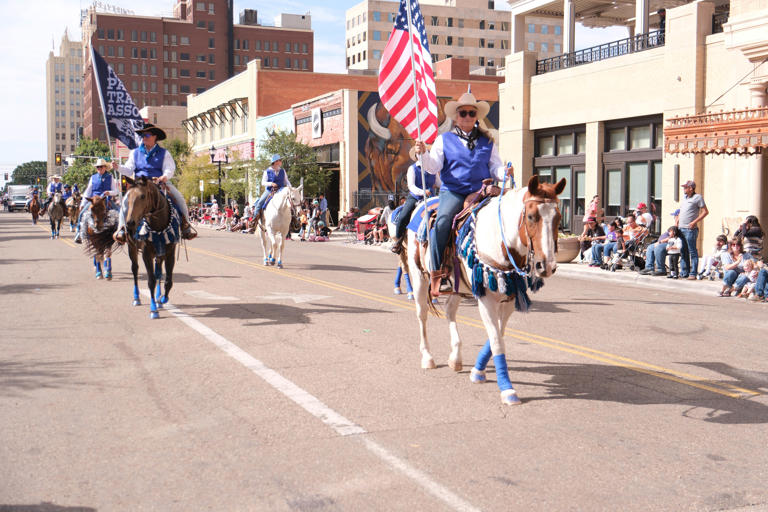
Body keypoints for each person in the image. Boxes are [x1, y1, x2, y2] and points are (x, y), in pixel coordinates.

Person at [412, 89, 513, 296]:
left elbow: (495, 168)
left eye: (471, 113)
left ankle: (510, 267)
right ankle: (437, 274)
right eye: (463, 113)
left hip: (482, 192)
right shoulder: (444, 140)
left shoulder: (488, 141)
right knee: (442, 223)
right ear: (456, 117)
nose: (467, 116)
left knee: (504, 219)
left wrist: (504, 172)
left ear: (476, 117)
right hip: (454, 192)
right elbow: (433, 167)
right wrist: (423, 154)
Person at [112, 123, 196, 242]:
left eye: (147, 135)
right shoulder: (135, 152)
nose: (144, 137)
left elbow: (169, 168)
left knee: (179, 198)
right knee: (125, 201)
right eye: (142, 135)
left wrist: (164, 177)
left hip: (159, 183)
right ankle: (121, 229)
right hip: (140, 185)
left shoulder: (164, 153)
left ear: (155, 137)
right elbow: (129, 169)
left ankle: (186, 227)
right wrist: (118, 167)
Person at [391, 158, 442, 254]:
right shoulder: (412, 168)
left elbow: (439, 183)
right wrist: (423, 192)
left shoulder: (433, 169)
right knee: (404, 216)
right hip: (416, 197)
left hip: (430, 198)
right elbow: (411, 186)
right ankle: (398, 241)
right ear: (416, 156)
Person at [74, 158, 120, 244]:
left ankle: (120, 234)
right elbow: (88, 191)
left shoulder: (110, 177)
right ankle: (79, 234)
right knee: (81, 213)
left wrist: (109, 192)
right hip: (93, 201)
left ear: (105, 167)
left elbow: (116, 191)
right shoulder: (93, 177)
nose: (99, 168)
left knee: (119, 212)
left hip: (105, 200)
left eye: (101, 167)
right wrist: (83, 204)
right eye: (98, 167)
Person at [676, 180, 709, 279]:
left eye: (685, 187)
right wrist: (677, 222)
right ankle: (684, 272)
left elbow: (705, 212)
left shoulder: (697, 197)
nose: (684, 189)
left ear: (691, 188)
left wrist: (694, 222)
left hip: (690, 229)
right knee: (683, 251)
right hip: (681, 228)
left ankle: (693, 273)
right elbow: (681, 211)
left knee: (692, 251)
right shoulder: (684, 198)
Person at [252, 154, 292, 226]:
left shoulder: (283, 171)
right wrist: (271, 183)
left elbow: (286, 181)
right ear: (276, 162)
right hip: (270, 190)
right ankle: (254, 220)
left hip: (281, 190)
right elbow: (263, 182)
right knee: (260, 202)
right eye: (280, 160)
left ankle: (293, 219)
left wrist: (291, 188)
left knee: (291, 201)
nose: (281, 162)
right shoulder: (267, 171)